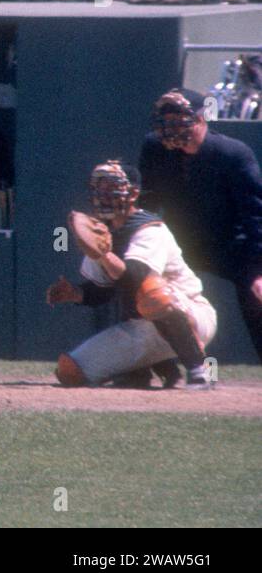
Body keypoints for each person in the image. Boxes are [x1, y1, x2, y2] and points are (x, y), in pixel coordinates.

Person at [47, 161, 217, 389]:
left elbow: (136, 278)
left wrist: (104, 255)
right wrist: (76, 293)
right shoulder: (102, 231)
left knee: (153, 293)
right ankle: (148, 370)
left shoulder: (150, 228)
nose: (102, 194)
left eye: (110, 187)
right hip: (145, 326)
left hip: (192, 315)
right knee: (71, 372)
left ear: (134, 192)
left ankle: (200, 368)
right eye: (99, 187)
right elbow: (102, 291)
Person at [139, 89, 262, 360]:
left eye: (180, 120)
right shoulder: (155, 149)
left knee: (258, 291)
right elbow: (147, 203)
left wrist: (258, 270)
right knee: (141, 282)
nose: (172, 130)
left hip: (231, 242)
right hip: (181, 243)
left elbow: (255, 216)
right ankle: (150, 365)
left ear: (200, 119)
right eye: (167, 122)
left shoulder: (233, 154)